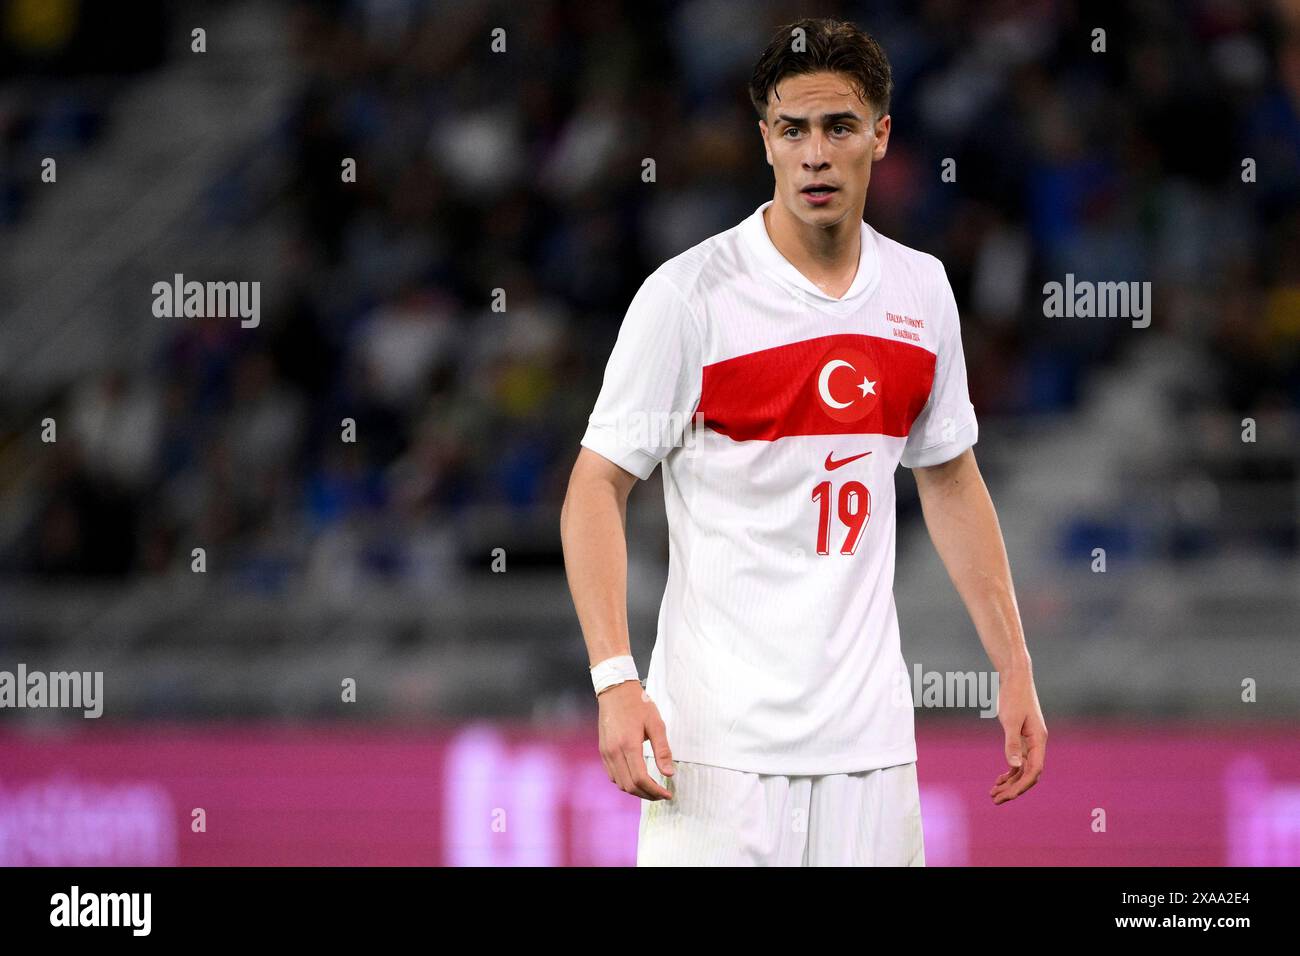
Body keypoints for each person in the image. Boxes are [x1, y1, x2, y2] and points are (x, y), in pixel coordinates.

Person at [560, 16, 1046, 866]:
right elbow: (595, 487)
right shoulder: (690, 298)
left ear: (881, 137)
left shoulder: (922, 291)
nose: (815, 153)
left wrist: (1014, 665)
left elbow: (951, 478)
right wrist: (614, 680)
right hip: (714, 756)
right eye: (793, 130)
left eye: (839, 127)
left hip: (871, 753)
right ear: (766, 142)